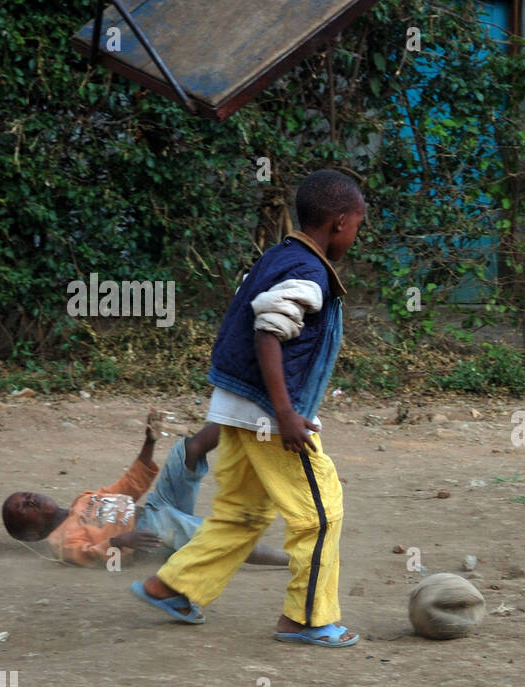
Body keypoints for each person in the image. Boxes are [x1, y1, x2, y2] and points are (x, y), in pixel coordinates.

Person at [131, 169, 365, 646]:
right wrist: (284, 414)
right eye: (358, 225)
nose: (357, 235)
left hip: (236, 410)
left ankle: (174, 586)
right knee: (319, 515)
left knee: (241, 513)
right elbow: (267, 332)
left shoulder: (277, 257)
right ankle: (306, 619)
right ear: (340, 222)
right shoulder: (308, 270)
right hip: (268, 417)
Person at [2, 413, 288, 568]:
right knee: (219, 537)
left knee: (186, 450)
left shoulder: (82, 500)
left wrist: (149, 442)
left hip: (157, 507)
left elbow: (128, 487)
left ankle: (241, 416)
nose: (30, 499)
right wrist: (118, 541)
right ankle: (295, 562)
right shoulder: (60, 543)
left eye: (27, 495)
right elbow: (89, 554)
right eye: (23, 508)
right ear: (31, 534)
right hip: (153, 534)